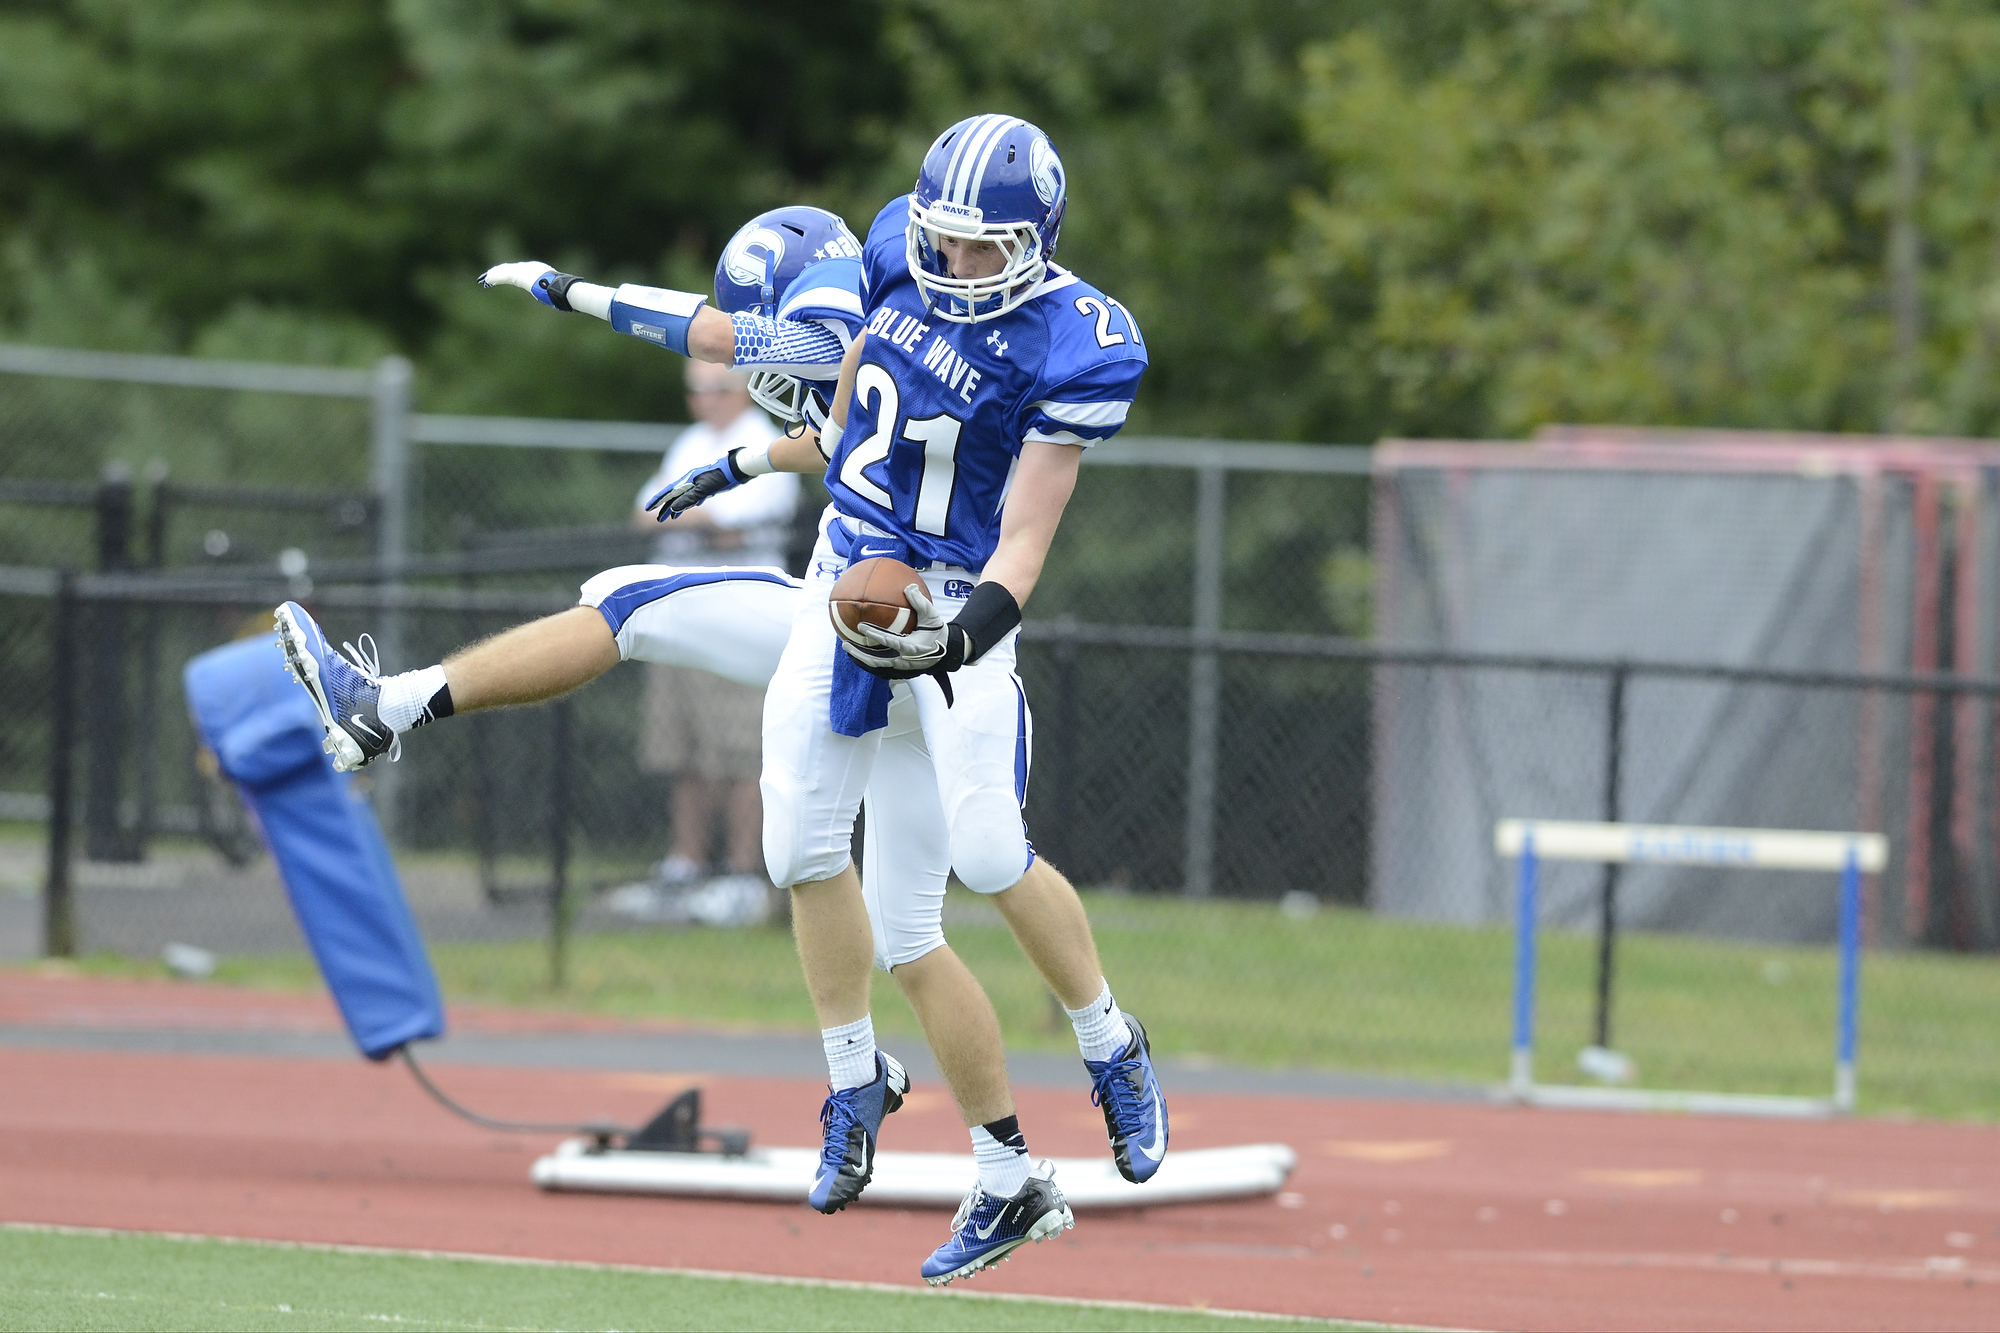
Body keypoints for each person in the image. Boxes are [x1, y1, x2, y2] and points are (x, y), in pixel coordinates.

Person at [274, 160, 1167, 1283]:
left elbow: (745, 353)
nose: (949, 263)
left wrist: (573, 292)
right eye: (936, 240)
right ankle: (957, 1142)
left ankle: (1107, 1044)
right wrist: (740, 459)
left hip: (943, 611)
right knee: (812, 859)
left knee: (978, 855)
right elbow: (848, 431)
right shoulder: (904, 274)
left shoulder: (974, 318)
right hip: (846, 589)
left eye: (973, 245)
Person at [626, 359, 794, 908]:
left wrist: (694, 517)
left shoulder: (765, 443)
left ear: (743, 390)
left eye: (716, 388)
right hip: (674, 610)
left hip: (738, 613)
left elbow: (735, 527)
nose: (705, 399)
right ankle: (687, 866)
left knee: (743, 751)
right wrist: (699, 516)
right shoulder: (689, 443)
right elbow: (646, 514)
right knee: (683, 750)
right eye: (695, 389)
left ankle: (743, 874)